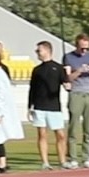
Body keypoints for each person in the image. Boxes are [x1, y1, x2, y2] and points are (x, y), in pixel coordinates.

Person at [63, 33, 89, 168]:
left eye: (86, 47)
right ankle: (73, 157)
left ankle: (86, 157)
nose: (84, 50)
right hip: (76, 93)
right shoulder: (69, 57)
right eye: (82, 48)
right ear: (77, 45)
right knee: (73, 126)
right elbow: (67, 78)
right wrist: (79, 71)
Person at [27, 40, 66, 169]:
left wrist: (68, 82)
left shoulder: (58, 68)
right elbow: (32, 89)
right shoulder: (37, 70)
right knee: (42, 134)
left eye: (39, 50)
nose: (37, 53)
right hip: (39, 106)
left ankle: (62, 160)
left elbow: (66, 83)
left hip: (54, 106)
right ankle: (45, 162)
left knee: (60, 135)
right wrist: (29, 106)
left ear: (47, 50)